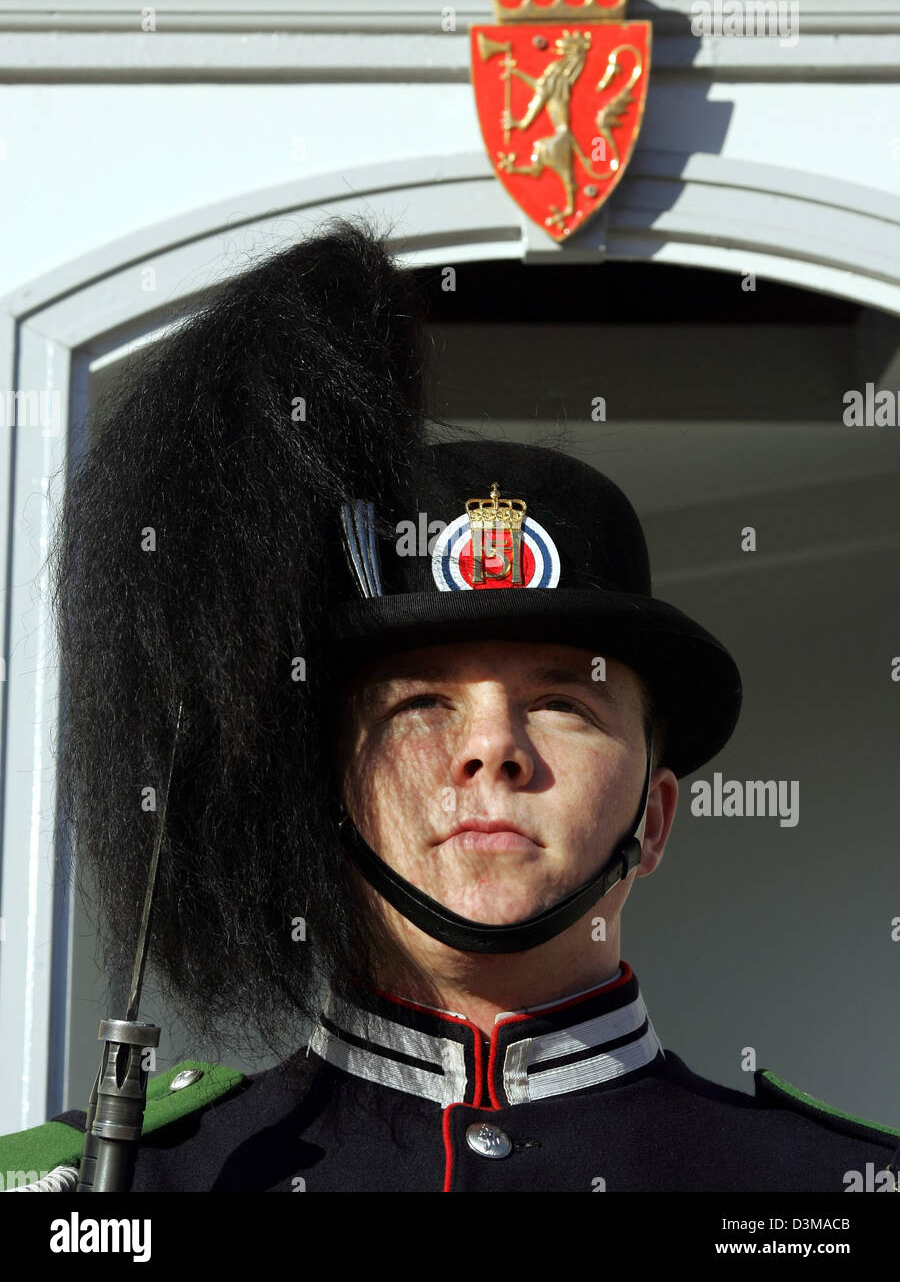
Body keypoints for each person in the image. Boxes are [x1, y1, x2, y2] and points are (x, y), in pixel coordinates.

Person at [1, 219, 897, 1193]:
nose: (491, 748)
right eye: (421, 701)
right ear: (318, 789)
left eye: (562, 703)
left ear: (661, 816)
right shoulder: (118, 1185)